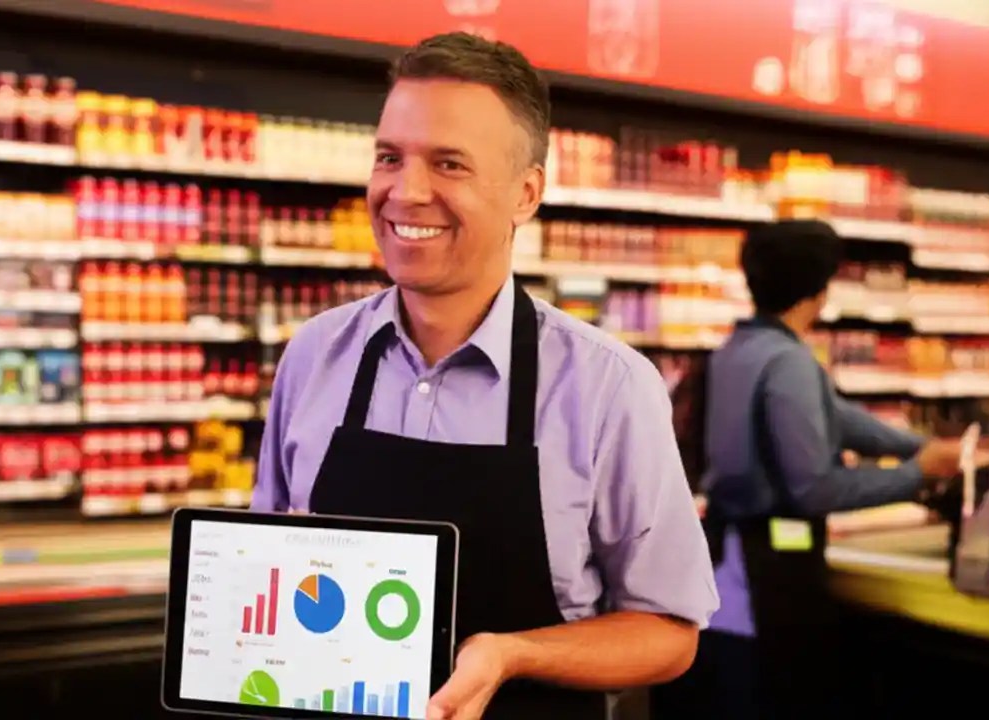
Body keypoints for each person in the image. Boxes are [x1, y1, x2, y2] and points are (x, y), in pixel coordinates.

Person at [252, 32, 718, 720]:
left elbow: (669, 634)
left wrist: (513, 654)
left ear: (526, 194)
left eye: (449, 164)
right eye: (389, 157)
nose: (405, 192)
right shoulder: (315, 355)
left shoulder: (608, 387)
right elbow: (267, 577)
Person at [679, 219, 989, 720]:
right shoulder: (789, 364)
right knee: (779, 695)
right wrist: (917, 474)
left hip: (726, 556)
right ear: (819, 291)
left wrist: (930, 448)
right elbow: (814, 489)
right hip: (773, 572)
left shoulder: (739, 351)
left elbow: (842, 419)